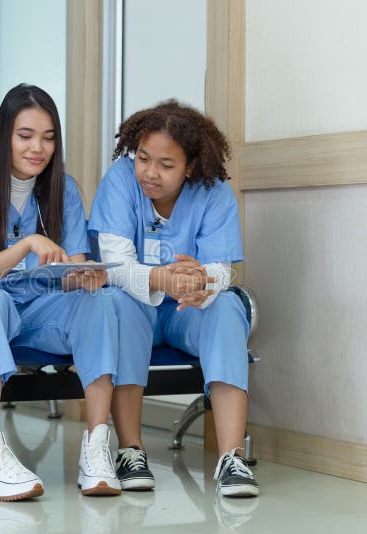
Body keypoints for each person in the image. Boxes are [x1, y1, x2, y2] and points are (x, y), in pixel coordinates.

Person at [0, 83, 126, 499]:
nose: (38, 148)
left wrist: (86, 275)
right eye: (26, 136)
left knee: (99, 299)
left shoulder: (64, 190)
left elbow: (70, 268)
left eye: (49, 137)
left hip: (40, 313)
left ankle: (96, 446)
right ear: (2, 133)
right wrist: (24, 245)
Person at [88, 100, 260, 497]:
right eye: (143, 159)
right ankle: (131, 450)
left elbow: (220, 268)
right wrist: (163, 279)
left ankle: (231, 459)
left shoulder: (213, 193)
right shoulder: (119, 181)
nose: (150, 172)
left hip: (187, 312)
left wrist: (203, 283)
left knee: (228, 304)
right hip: (137, 305)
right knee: (119, 301)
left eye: (166, 165)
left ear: (191, 167)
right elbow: (114, 265)